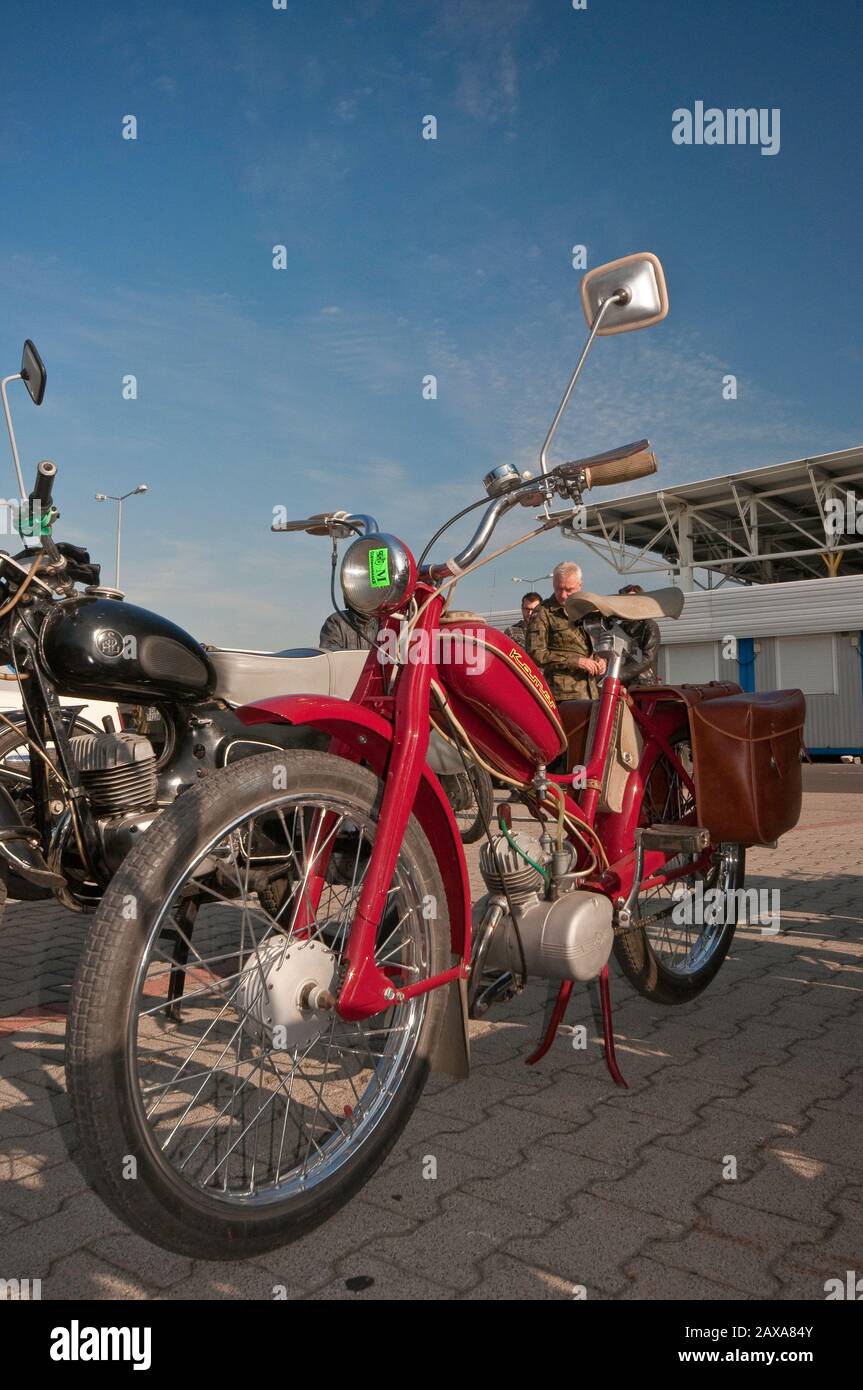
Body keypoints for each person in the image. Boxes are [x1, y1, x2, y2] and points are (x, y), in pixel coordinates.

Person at [525, 561, 606, 701]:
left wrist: (601, 661)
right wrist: (576, 661)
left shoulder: (588, 610)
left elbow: (594, 646)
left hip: (590, 692)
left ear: (580, 586)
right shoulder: (543, 612)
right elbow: (535, 653)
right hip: (562, 696)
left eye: (569, 590)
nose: (562, 595)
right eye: (558, 589)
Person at [617, 583, 660, 686]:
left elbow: (647, 658)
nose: (629, 604)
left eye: (633, 600)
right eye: (625, 600)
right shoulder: (618, 628)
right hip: (621, 684)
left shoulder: (649, 626)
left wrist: (619, 675)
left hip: (643, 684)